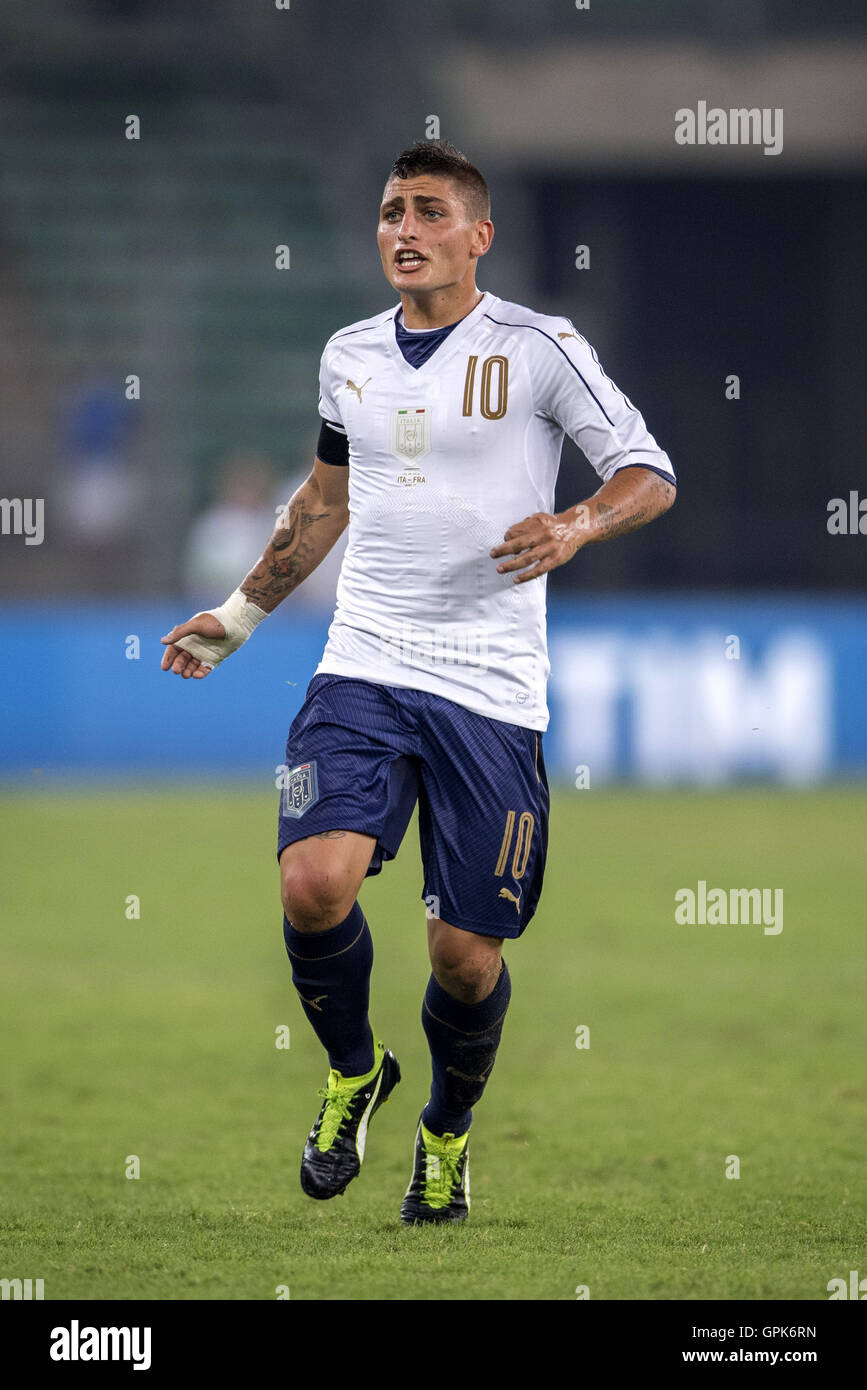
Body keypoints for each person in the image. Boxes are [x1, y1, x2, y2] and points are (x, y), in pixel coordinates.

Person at [160, 139, 676, 1224]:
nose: (403, 228)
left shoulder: (540, 347)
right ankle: (354, 1070)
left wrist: (578, 521)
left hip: (490, 690)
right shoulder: (348, 354)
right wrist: (242, 614)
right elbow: (323, 501)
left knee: (464, 956)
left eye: (429, 211)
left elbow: (648, 471)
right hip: (365, 662)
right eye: (392, 209)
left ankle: (445, 1132)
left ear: (477, 236)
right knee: (312, 883)